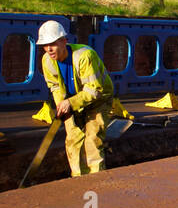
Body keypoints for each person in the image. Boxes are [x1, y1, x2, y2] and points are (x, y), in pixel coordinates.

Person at [37, 20, 118, 177]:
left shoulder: (84, 56)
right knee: (73, 139)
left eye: (52, 43)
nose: (48, 49)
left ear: (64, 41)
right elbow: (54, 86)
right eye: (45, 45)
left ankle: (96, 179)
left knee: (92, 139)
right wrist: (62, 104)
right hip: (72, 101)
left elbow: (94, 91)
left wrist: (70, 103)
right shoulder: (47, 61)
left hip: (98, 101)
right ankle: (78, 179)